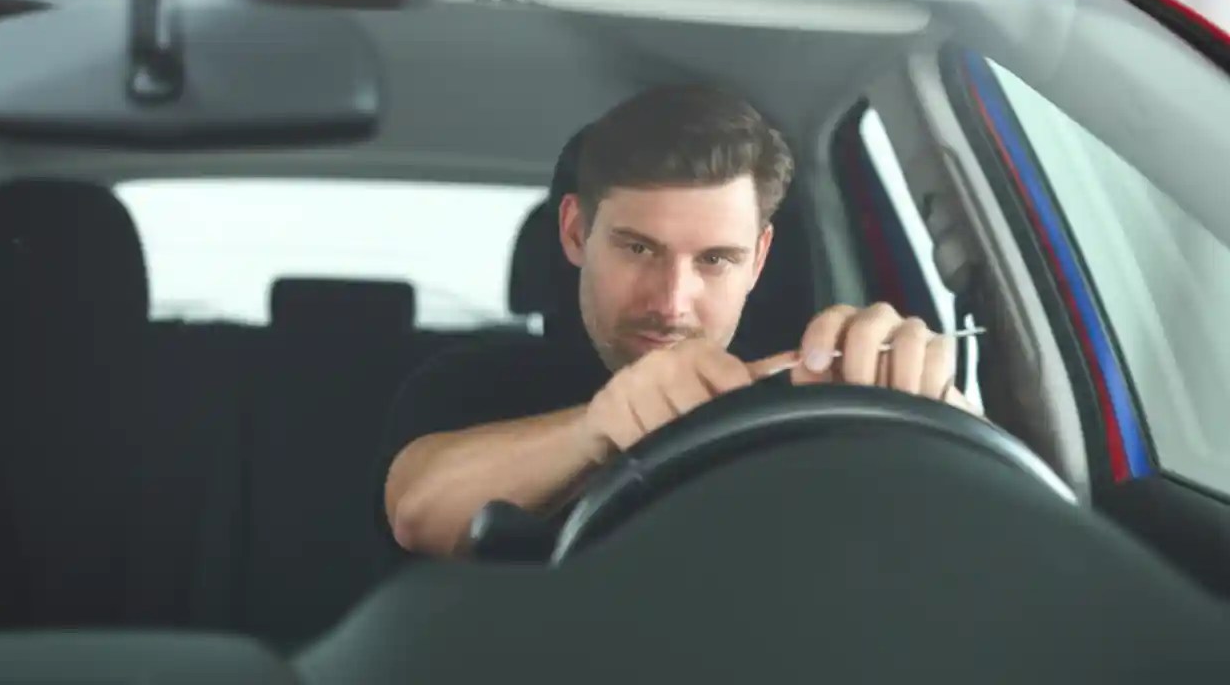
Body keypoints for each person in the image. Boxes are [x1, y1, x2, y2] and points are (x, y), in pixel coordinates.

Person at [381, 84, 977, 558]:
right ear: (574, 232)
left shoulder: (827, 396)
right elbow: (419, 513)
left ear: (759, 258)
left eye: (715, 259)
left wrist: (938, 413)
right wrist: (600, 426)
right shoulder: (469, 385)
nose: (671, 302)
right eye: (639, 249)